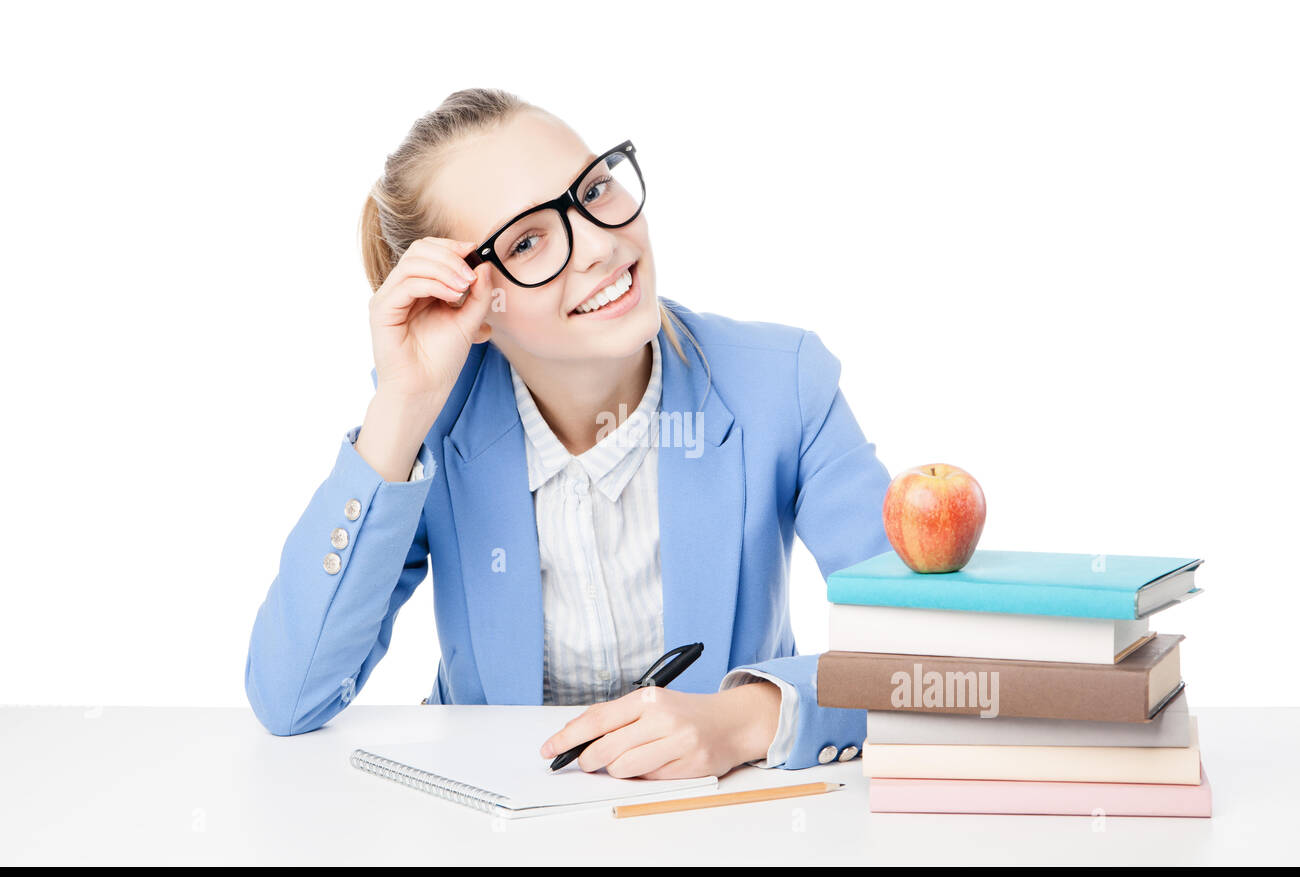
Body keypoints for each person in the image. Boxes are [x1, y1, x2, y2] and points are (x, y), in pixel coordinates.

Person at [244, 87, 893, 776]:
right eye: (527, 240)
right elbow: (290, 696)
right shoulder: (428, 422)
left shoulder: (781, 385)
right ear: (466, 301)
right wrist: (401, 410)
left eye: (593, 189)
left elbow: (929, 661)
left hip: (714, 820)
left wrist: (753, 716)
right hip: (485, 818)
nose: (599, 245)